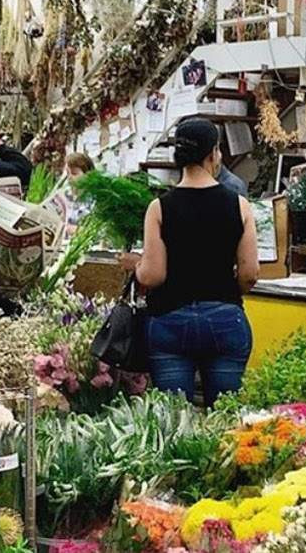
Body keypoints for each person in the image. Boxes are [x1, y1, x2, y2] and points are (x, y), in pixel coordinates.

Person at [122, 118, 260, 407]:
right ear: (214, 154)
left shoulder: (159, 207)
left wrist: (135, 265)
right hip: (225, 319)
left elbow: (152, 276)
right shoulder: (239, 205)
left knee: (174, 421)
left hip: (170, 321)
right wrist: (223, 291)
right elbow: (249, 274)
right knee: (226, 416)